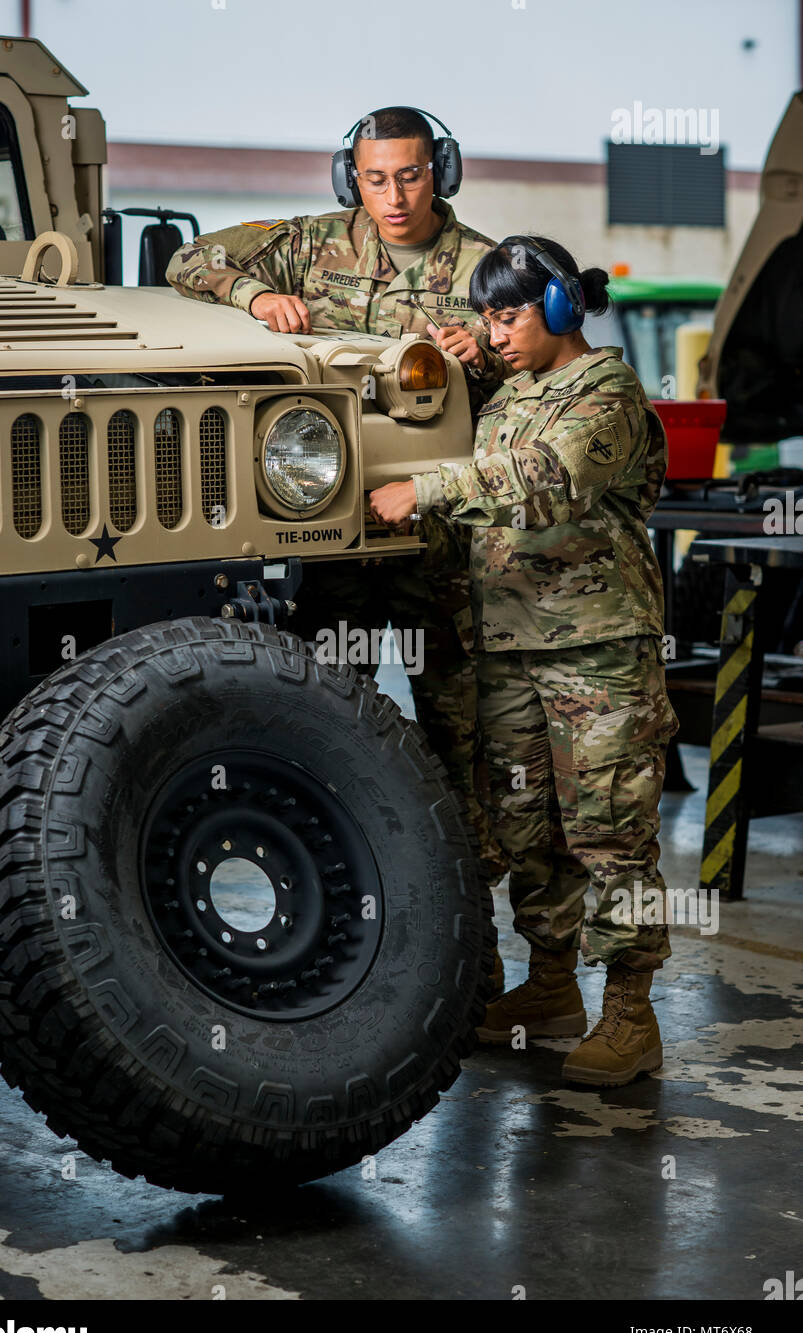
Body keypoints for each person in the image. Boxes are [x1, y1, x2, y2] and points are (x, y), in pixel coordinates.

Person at [166, 107, 511, 958]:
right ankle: (350, 934)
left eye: (410, 175)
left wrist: (487, 349)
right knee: (330, 733)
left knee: (462, 737)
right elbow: (188, 259)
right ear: (347, 177)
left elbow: (538, 361)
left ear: (444, 171)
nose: (392, 196)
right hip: (333, 536)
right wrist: (255, 293)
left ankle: (469, 947)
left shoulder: (481, 265)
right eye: (373, 177)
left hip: (438, 536)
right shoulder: (307, 242)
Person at [369, 235, 679, 1088]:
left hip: (595, 655)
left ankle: (630, 1012)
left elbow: (547, 478)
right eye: (485, 318)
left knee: (610, 832)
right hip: (506, 651)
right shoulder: (509, 400)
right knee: (526, 830)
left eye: (507, 316)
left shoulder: (605, 394)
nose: (495, 334)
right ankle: (551, 989)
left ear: (555, 309)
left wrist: (426, 489)